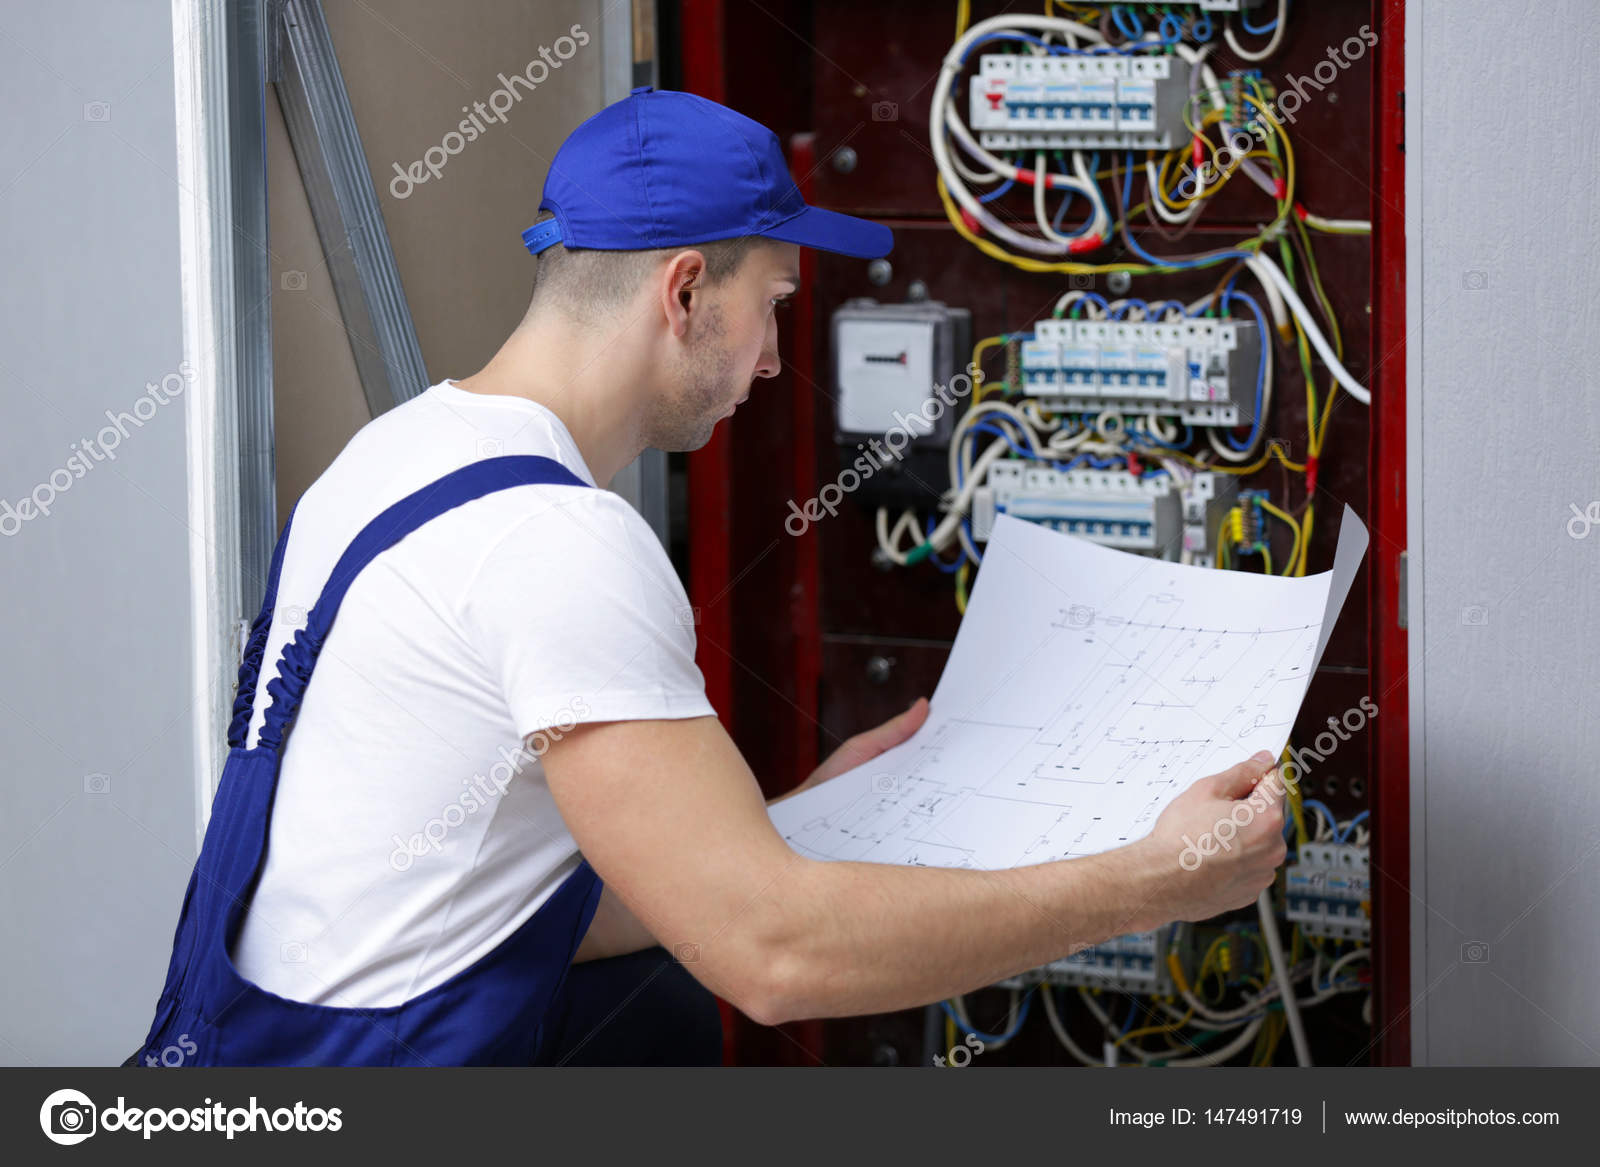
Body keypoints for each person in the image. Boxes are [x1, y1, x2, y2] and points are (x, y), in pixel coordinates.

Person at [129, 87, 1283, 1069]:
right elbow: (775, 961)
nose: (776, 360)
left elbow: (495, 911)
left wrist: (796, 825)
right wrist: (1154, 883)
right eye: (771, 307)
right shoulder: (557, 542)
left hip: (253, 1062)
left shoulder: (390, 459)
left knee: (652, 1014)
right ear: (683, 292)